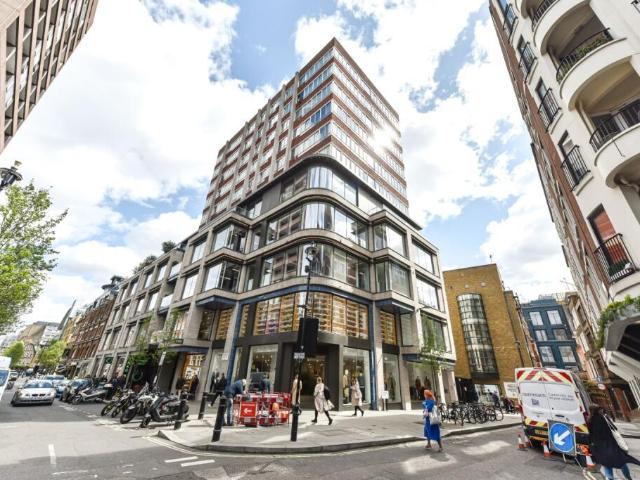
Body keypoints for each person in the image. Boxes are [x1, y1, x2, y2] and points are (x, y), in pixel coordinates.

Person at [588, 405, 640, 479]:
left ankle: (610, 478)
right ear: (598, 410)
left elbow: (591, 435)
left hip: (600, 447)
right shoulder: (602, 418)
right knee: (621, 461)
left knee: (607, 464)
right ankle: (628, 477)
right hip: (610, 444)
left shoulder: (589, 420)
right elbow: (609, 431)